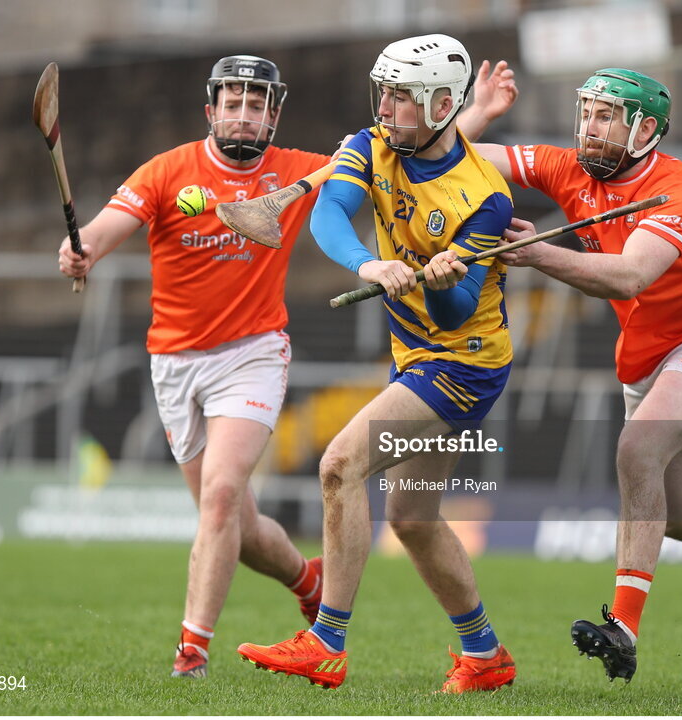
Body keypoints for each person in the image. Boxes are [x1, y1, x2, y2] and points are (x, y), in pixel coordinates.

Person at [464, 67, 682, 682]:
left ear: (644, 129)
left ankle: (621, 628)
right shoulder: (567, 166)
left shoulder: (679, 191)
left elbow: (629, 277)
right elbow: (455, 157)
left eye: (605, 117)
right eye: (586, 114)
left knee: (637, 450)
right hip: (645, 355)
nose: (588, 129)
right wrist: (479, 114)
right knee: (677, 511)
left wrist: (537, 252)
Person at [236, 34, 517, 693]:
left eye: (401, 97)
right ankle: (486, 657)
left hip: (461, 364)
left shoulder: (486, 199)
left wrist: (445, 279)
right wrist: (371, 262)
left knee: (340, 465)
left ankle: (326, 642)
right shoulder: (374, 145)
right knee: (413, 520)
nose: (385, 107)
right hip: (416, 354)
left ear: (443, 104)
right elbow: (329, 214)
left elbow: (454, 315)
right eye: (383, 92)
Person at [57, 55, 331, 679]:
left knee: (220, 497)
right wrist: (80, 253)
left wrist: (471, 117)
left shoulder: (299, 171)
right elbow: (98, 234)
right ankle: (308, 582)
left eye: (255, 104)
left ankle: (192, 650)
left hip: (254, 354)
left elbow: (404, 160)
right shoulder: (167, 171)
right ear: (212, 110)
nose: (243, 114)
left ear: (272, 114)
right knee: (241, 524)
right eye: (232, 102)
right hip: (176, 364)